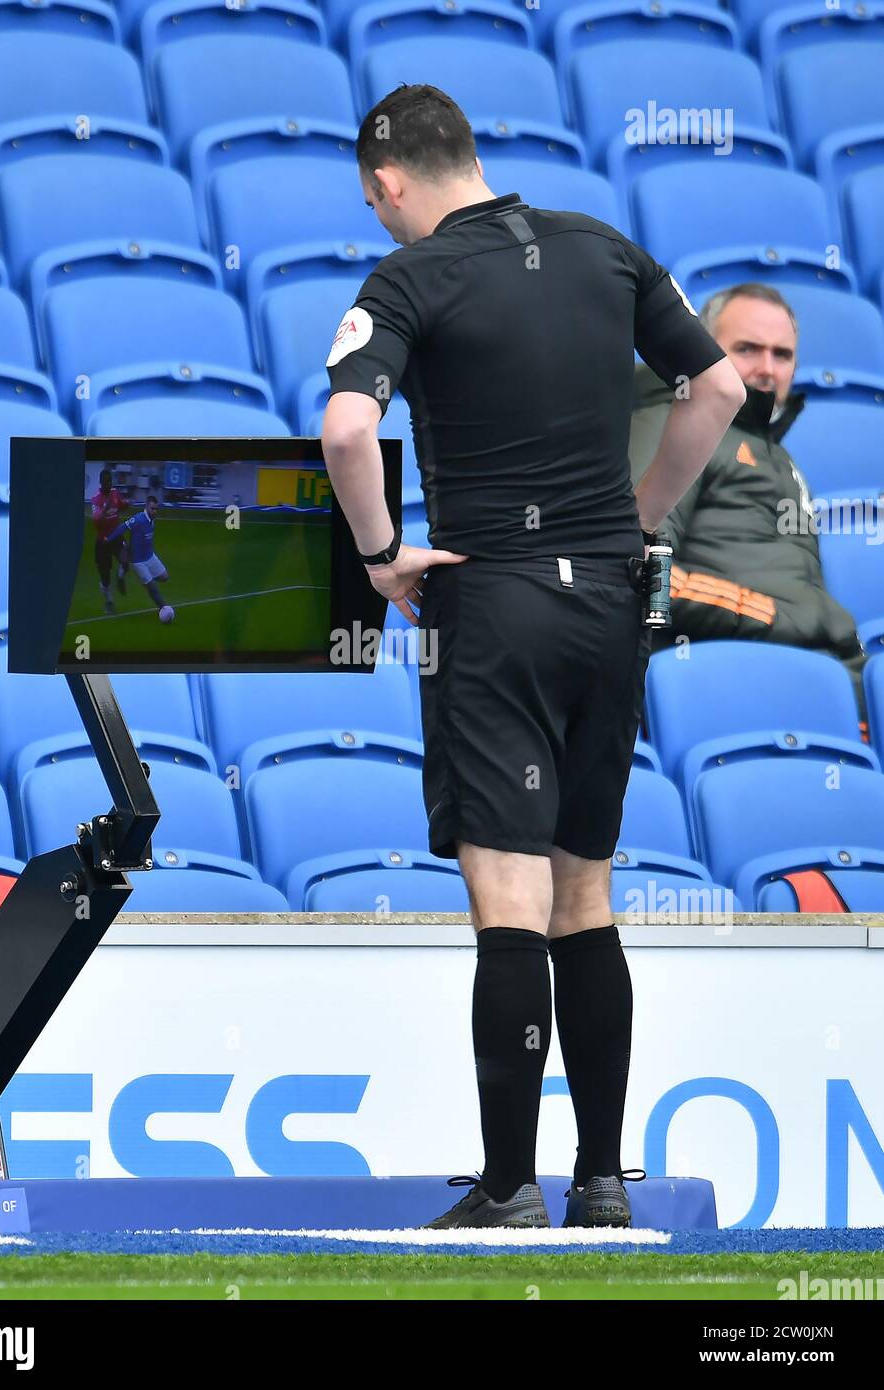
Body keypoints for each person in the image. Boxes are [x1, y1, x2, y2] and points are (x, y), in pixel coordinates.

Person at [321, 84, 746, 1229]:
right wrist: (635, 519)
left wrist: (379, 557)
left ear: (389, 182)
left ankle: (508, 1186)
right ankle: (601, 1183)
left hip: (494, 604)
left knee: (507, 900)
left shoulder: (409, 277)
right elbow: (718, 386)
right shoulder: (604, 248)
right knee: (584, 894)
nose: (379, 219)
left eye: (374, 202)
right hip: (607, 606)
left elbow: (348, 428)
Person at [628, 282, 867, 707]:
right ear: (703, 348)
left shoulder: (780, 457)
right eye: (747, 349)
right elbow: (638, 564)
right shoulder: (679, 422)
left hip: (818, 671)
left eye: (782, 355)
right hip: (725, 677)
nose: (767, 369)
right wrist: (778, 614)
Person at [106, 496, 170, 612]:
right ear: (146, 507)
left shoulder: (152, 520)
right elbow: (123, 527)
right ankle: (165, 609)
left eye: (156, 509)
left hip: (150, 556)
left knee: (164, 577)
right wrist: (108, 539)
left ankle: (146, 580)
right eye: (152, 509)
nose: (154, 511)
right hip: (138, 561)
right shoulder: (138, 519)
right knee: (152, 587)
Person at [90, 469, 129, 615]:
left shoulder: (115, 493)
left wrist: (126, 503)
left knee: (125, 561)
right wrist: (104, 512)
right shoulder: (96, 499)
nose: (109, 484)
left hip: (116, 537)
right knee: (105, 576)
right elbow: (96, 522)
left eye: (110, 481)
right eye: (106, 482)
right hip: (103, 542)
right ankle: (109, 602)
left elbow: (122, 506)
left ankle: (120, 577)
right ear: (101, 482)